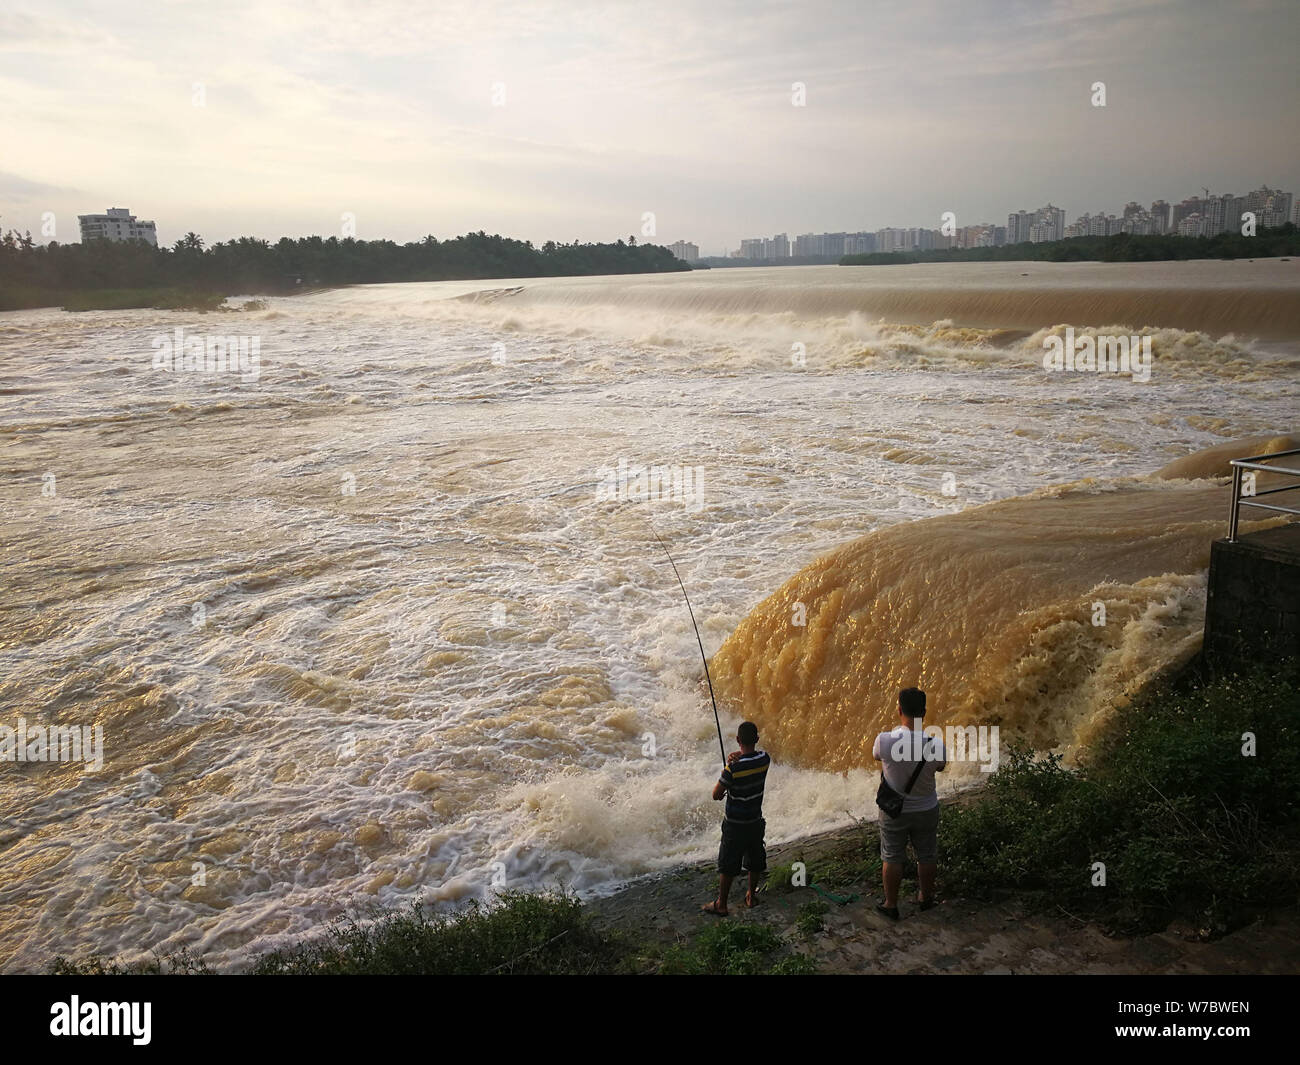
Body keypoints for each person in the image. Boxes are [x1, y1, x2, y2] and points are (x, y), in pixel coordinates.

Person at [871, 687, 946, 920]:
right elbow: (941, 767)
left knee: (891, 855)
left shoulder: (884, 740)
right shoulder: (936, 745)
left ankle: (891, 904)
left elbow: (876, 756)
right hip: (926, 807)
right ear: (924, 712)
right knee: (926, 853)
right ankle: (925, 898)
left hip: (895, 810)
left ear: (899, 710)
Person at [702, 721, 770, 916]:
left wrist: (731, 762)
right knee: (754, 858)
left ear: (738, 740)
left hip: (734, 825)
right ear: (757, 739)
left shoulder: (731, 769)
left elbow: (716, 794)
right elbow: (751, 757)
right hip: (755, 821)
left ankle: (721, 904)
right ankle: (751, 896)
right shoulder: (765, 759)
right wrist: (738, 756)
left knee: (728, 864)